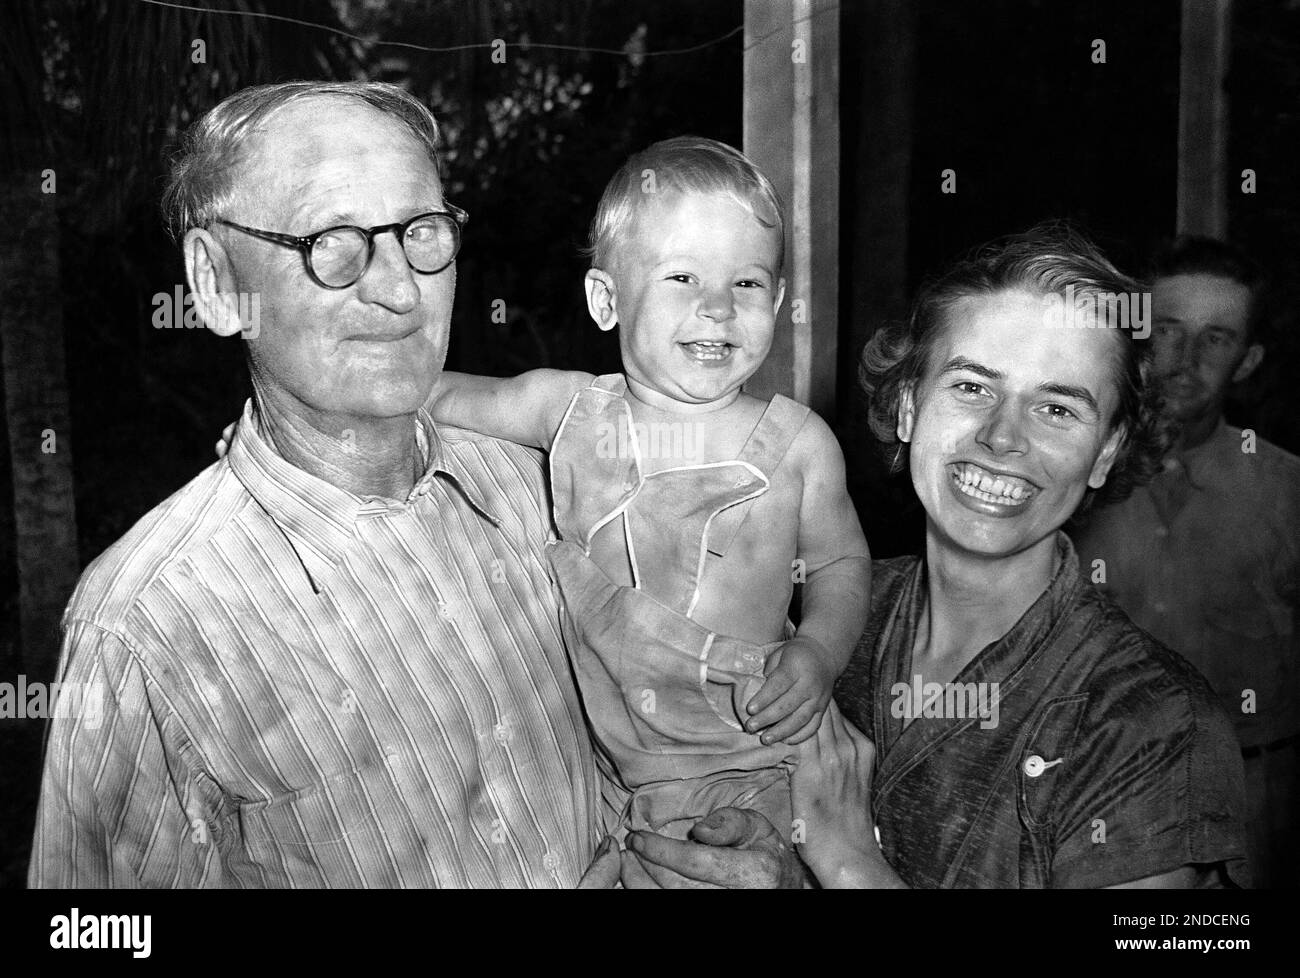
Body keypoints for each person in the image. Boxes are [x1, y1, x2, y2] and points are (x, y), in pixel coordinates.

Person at [28, 81, 619, 888]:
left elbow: (648, 762)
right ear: (213, 282)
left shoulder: (544, 497)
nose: (400, 288)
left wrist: (720, 849)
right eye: (331, 239)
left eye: (421, 231)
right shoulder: (145, 628)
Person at [622, 226, 1251, 888]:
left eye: (1058, 408)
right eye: (974, 387)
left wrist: (846, 864)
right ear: (906, 405)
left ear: (1105, 452)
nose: (1003, 436)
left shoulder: (1151, 723)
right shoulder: (810, 624)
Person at [422, 137, 871, 840]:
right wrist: (299, 422)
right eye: (683, 279)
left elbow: (841, 565)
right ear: (607, 299)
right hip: (603, 768)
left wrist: (818, 651)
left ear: (779, 300)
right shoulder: (566, 409)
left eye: (747, 284)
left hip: (754, 760)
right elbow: (435, 395)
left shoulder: (798, 444)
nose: (718, 308)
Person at [1073, 237, 1300, 888]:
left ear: (1249, 360)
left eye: (1216, 339)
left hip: (1255, 815)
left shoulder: (1288, 491)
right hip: (1098, 793)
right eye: (1168, 330)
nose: (1185, 359)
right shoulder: (1066, 474)